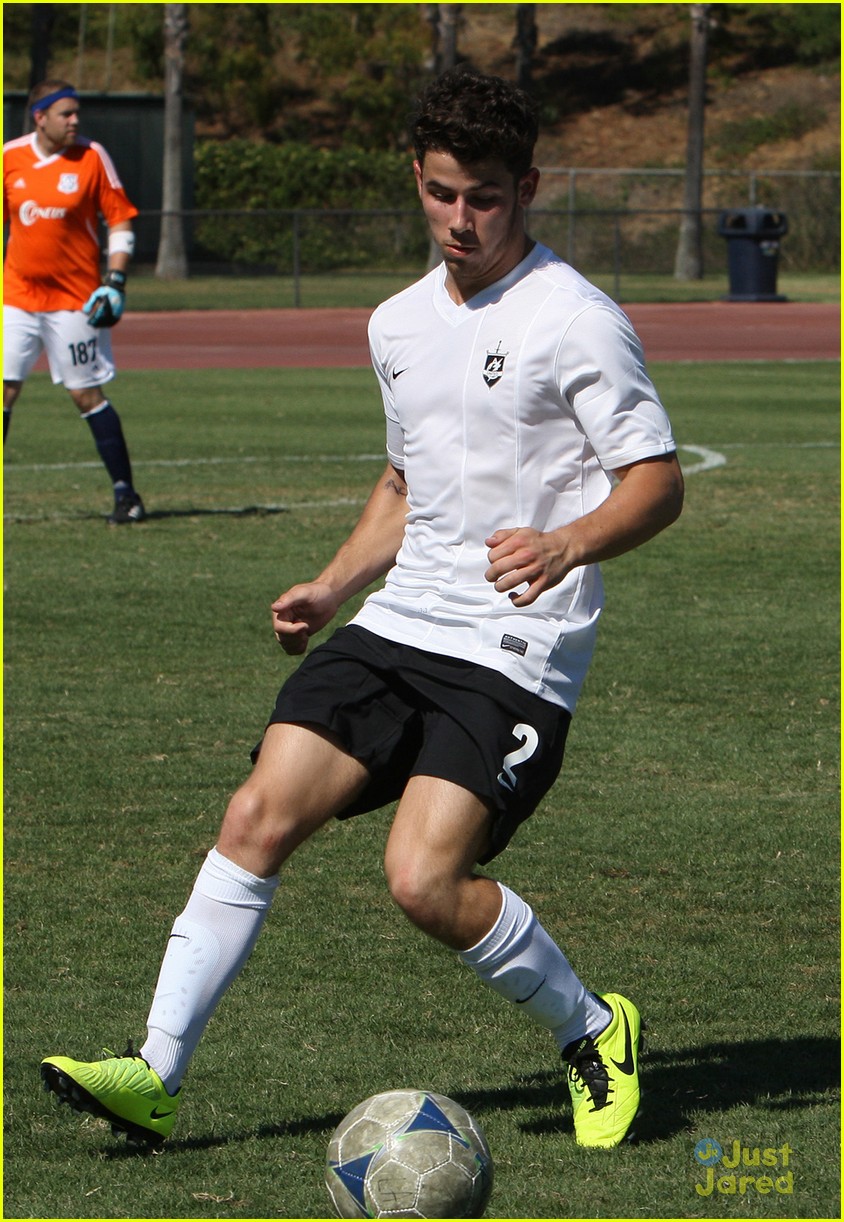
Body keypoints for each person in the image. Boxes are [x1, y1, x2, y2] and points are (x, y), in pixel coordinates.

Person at [41, 67, 683, 1150]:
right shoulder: (394, 323)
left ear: (525, 188)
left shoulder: (576, 318)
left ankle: (588, 1029)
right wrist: (334, 585)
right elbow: (404, 483)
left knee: (423, 881)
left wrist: (567, 540)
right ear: (415, 182)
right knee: (255, 815)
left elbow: (657, 478)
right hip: (399, 620)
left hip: (515, 642)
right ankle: (155, 1072)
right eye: (440, 194)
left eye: (483, 196)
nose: (460, 220)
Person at [3, 79, 145, 524]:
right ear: (39, 117)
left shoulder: (91, 157)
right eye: (65, 113)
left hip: (75, 302)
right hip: (17, 296)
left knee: (85, 394)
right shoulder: (10, 157)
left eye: (76, 112)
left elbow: (120, 220)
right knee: (5, 389)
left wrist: (116, 279)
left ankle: (127, 496)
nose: (75, 120)